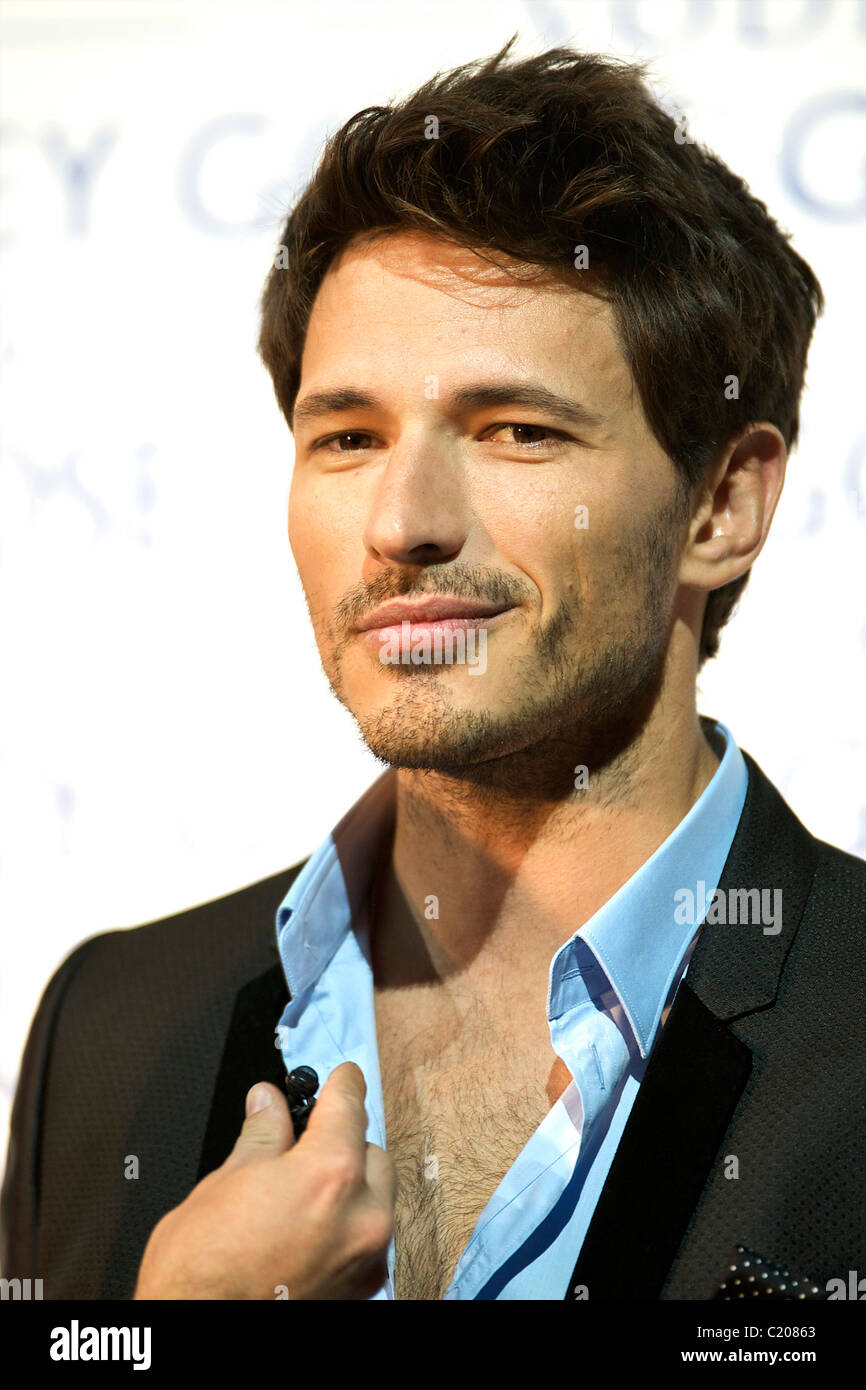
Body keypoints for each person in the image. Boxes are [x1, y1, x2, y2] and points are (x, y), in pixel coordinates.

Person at [3, 37, 864, 1302]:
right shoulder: (111, 1024)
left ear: (719, 505)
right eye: (346, 435)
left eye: (513, 431)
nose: (402, 519)